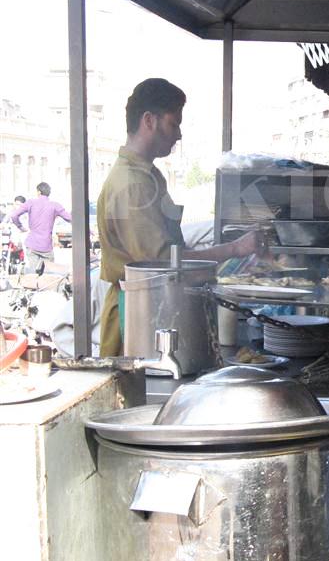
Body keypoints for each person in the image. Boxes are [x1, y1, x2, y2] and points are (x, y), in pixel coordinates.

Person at [97, 78, 264, 357]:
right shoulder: (131, 184)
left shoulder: (150, 176)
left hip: (161, 309)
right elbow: (163, 262)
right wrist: (235, 249)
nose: (178, 135)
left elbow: (174, 246)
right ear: (149, 120)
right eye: (173, 124)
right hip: (141, 319)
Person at [10, 184, 71, 274]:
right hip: (46, 246)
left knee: (34, 274)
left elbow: (14, 215)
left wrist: (20, 227)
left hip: (32, 244)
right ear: (49, 193)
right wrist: (88, 230)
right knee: (48, 276)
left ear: (38, 192)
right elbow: (71, 219)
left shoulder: (30, 203)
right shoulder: (55, 206)